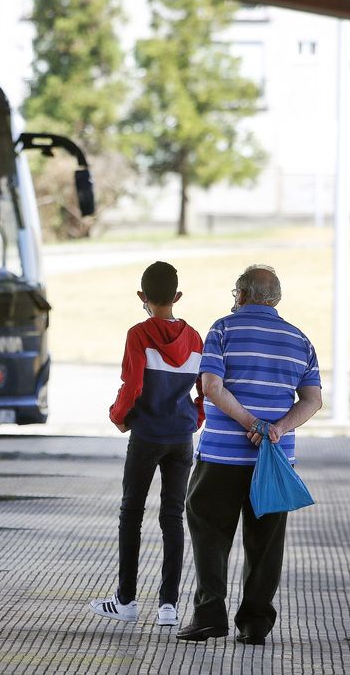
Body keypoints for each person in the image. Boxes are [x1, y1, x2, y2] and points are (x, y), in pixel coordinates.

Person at [177, 265, 323, 646]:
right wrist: (277, 428)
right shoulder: (300, 340)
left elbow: (210, 386)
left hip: (221, 458)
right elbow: (313, 400)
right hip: (274, 460)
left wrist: (249, 421)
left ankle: (209, 616)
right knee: (265, 543)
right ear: (276, 299)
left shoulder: (223, 329)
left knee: (209, 532)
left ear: (240, 294)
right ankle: (255, 624)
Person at [90, 261, 204, 627]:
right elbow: (206, 391)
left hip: (146, 436)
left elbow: (132, 385)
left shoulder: (138, 334)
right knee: (172, 518)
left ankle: (126, 600)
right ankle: (168, 607)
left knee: (131, 513)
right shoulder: (195, 338)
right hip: (180, 439)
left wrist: (118, 416)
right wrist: (193, 420)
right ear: (177, 297)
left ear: (142, 297)